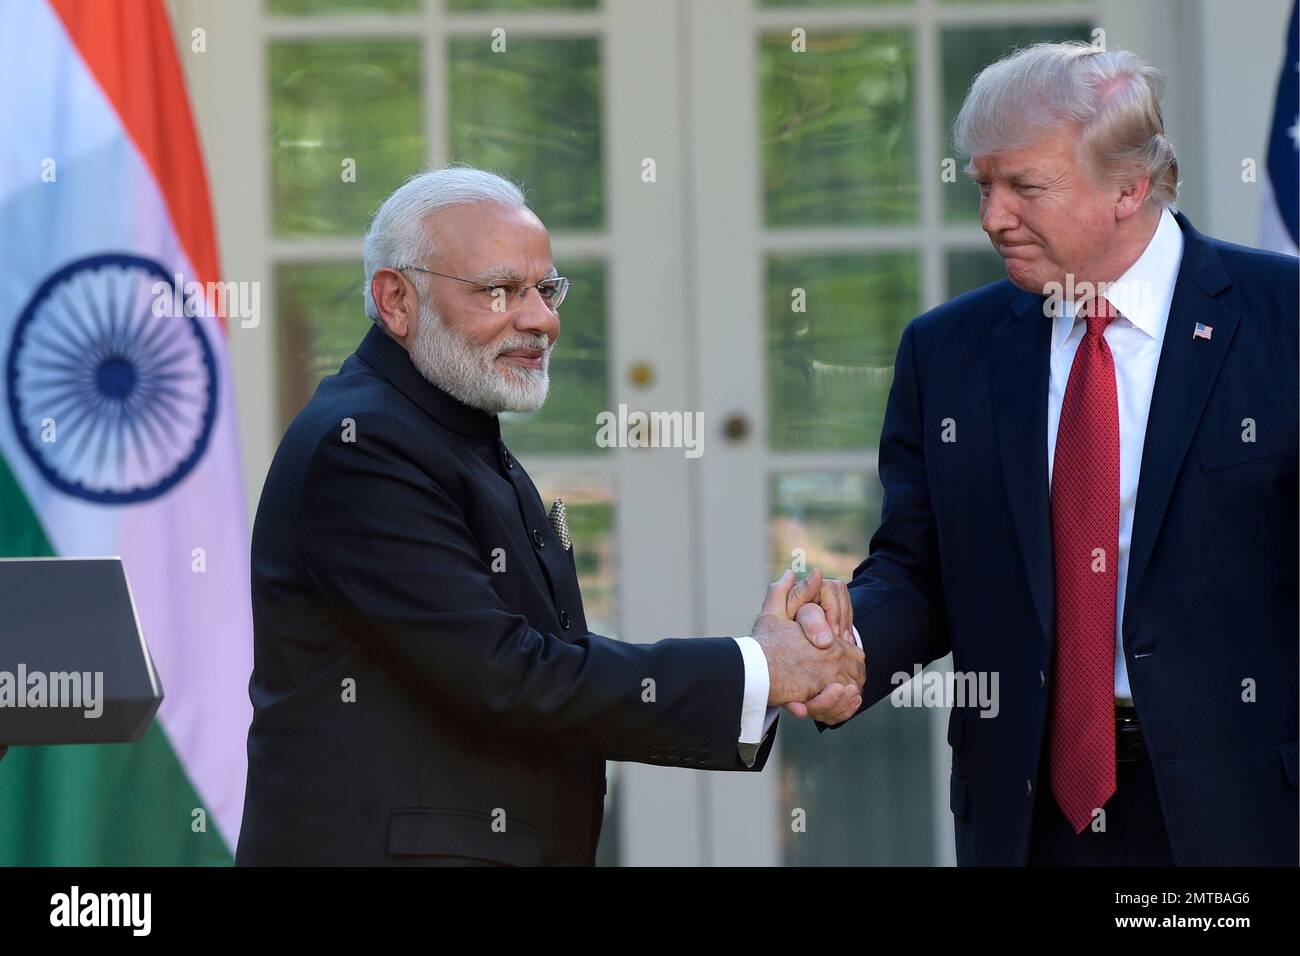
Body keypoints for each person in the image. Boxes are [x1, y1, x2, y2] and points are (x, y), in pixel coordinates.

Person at [236, 167, 865, 866]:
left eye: (546, 288)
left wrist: (772, 673)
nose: (541, 319)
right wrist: (757, 672)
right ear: (396, 300)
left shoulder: (451, 431)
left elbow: (531, 669)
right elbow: (508, 677)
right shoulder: (364, 447)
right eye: (499, 290)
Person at [806, 42, 1298, 865]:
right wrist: (845, 650)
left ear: (1128, 188)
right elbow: (919, 568)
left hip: (1247, 813)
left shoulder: (1281, 321)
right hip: (1029, 816)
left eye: (1025, 187)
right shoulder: (948, 350)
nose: (993, 216)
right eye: (983, 186)